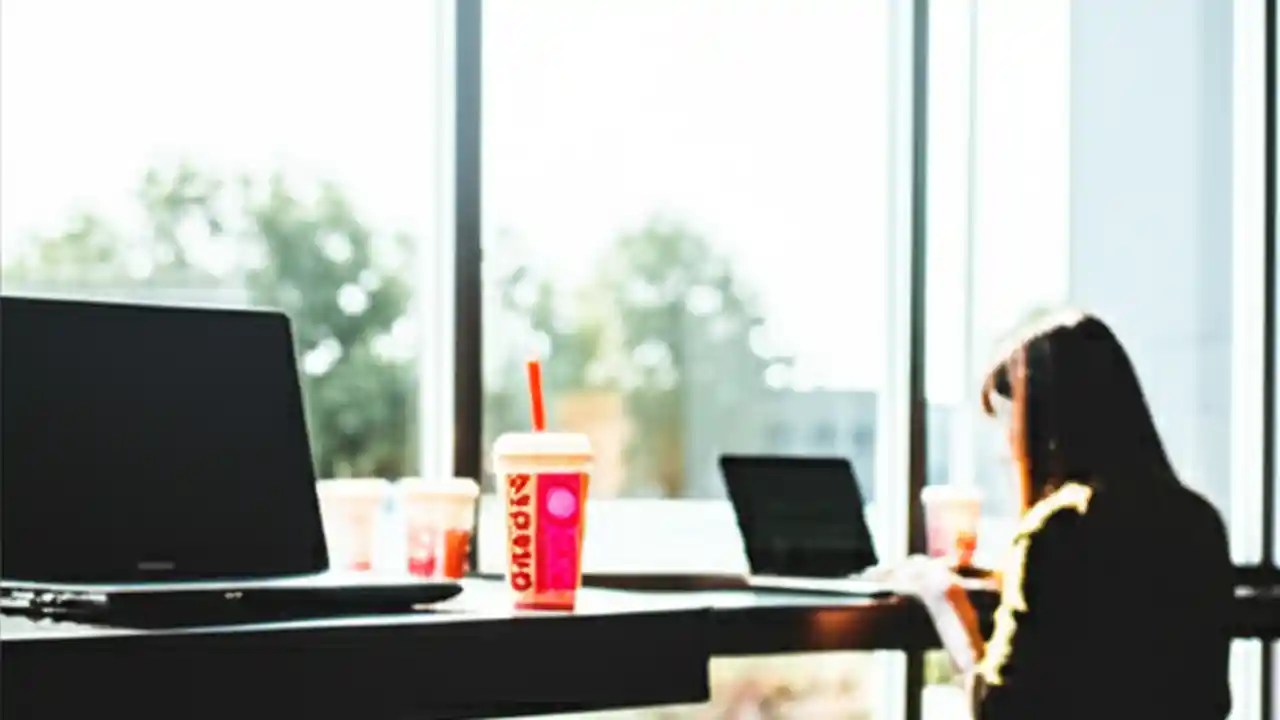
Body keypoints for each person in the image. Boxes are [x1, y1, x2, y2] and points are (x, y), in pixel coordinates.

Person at [957, 310, 1233, 719]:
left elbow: (998, 708)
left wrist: (947, 606)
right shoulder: (1198, 522)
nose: (1005, 447)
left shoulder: (1056, 530)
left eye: (1009, 423)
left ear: (1039, 425)